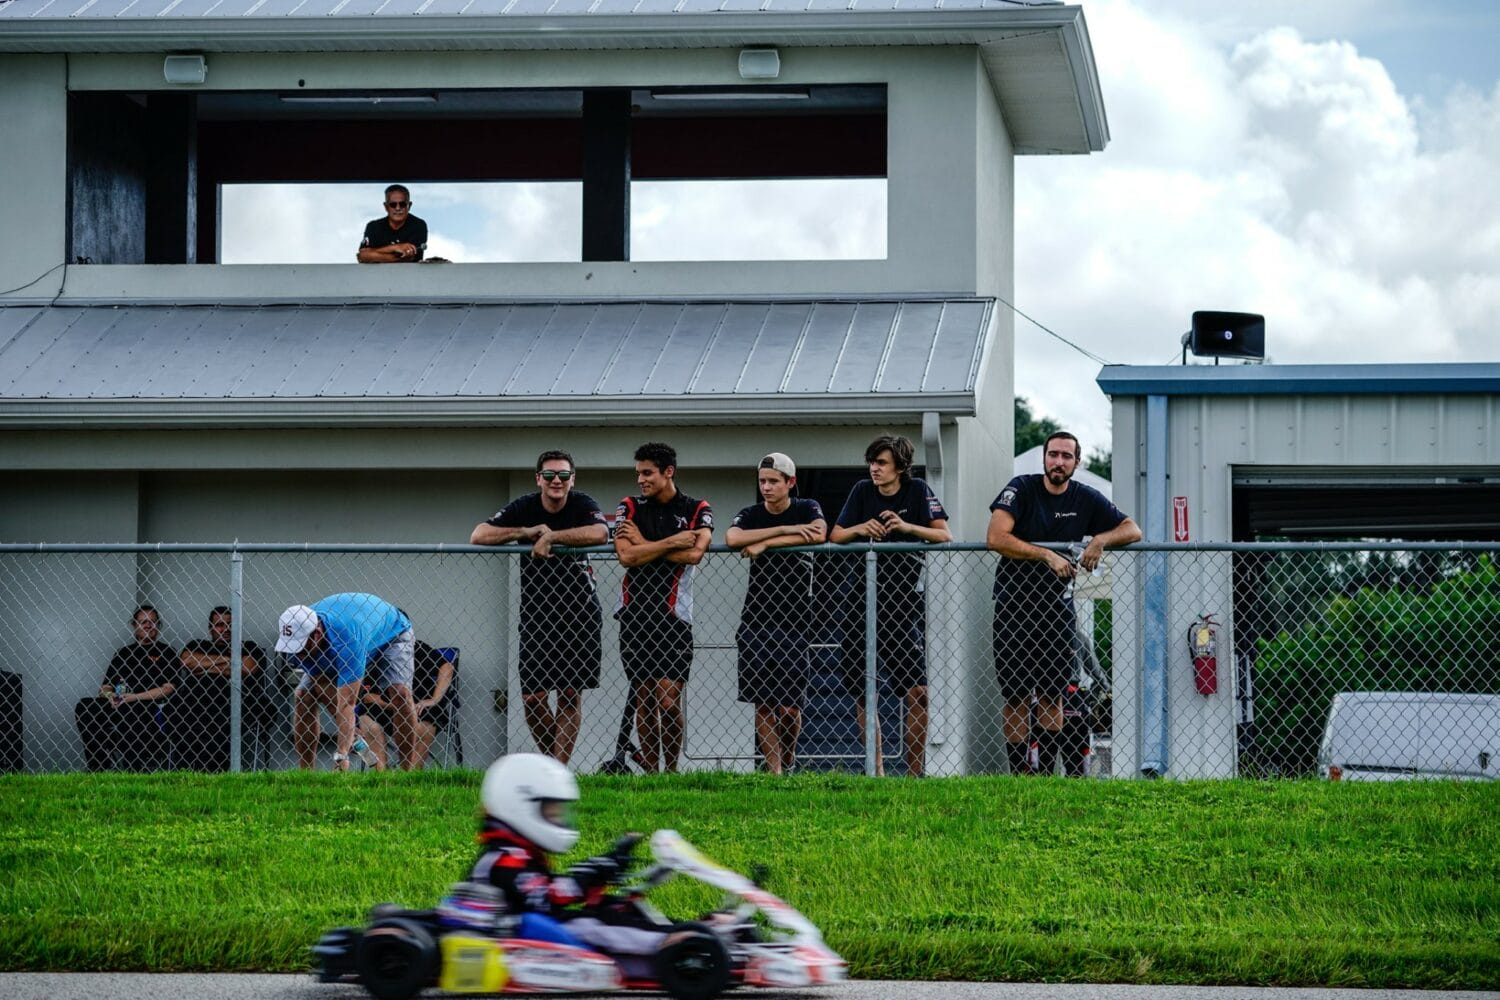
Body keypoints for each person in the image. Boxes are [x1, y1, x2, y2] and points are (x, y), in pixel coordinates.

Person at [986, 431, 1141, 776]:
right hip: (1013, 605)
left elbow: (1132, 530)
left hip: (1057, 608)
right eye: (1053, 455)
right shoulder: (1021, 488)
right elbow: (996, 537)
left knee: (1052, 695)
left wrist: (1100, 539)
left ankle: (1044, 778)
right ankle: (1020, 777)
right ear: (1044, 458)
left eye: (1066, 457)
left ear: (1077, 462)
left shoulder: (1085, 498)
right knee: (1015, 696)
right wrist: (1046, 555)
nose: (1058, 462)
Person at [471, 450, 609, 765]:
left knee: (570, 696)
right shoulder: (524, 507)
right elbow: (479, 534)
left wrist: (553, 538)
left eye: (563, 475)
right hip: (536, 616)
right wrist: (525, 532)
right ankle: (554, 767)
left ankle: (556, 775)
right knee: (532, 700)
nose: (556, 481)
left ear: (572, 479)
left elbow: (601, 532)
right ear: (539, 479)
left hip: (580, 614)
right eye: (549, 475)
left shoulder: (583, 504)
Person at [830, 434, 951, 777]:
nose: (875, 469)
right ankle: (877, 771)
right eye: (872, 462)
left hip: (902, 606)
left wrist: (906, 526)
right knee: (865, 693)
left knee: (918, 691)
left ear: (900, 466)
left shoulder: (918, 491)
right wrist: (859, 528)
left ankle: (915, 774)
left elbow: (945, 535)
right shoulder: (861, 491)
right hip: (859, 602)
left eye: (881, 463)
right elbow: (836, 535)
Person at [469, 753, 661, 955]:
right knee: (588, 925)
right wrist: (591, 872)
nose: (558, 820)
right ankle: (669, 944)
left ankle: (677, 932)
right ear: (520, 806)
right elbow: (547, 897)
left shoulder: (523, 855)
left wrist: (605, 868)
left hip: (535, 932)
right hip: (516, 939)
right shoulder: (503, 860)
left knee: (612, 907)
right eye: (552, 814)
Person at [613, 442, 713, 774]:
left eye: (647, 473)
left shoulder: (697, 508)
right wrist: (668, 542)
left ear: (668, 472)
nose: (640, 480)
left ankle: (671, 770)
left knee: (668, 702)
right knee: (645, 699)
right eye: (638, 473)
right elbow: (627, 556)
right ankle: (653, 774)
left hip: (674, 618)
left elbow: (695, 554)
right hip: (635, 617)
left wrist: (645, 546)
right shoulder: (629, 506)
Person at [725, 453, 827, 774]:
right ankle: (775, 771)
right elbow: (732, 537)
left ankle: (789, 757)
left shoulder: (807, 506)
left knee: (789, 708)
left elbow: (819, 531)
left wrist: (767, 544)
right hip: (756, 621)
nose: (766, 487)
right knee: (763, 701)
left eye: (773, 481)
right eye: (762, 481)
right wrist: (784, 532)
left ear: (790, 483)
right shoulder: (752, 513)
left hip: (796, 622)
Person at [276, 593, 422, 771]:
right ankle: (306, 774)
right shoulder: (295, 643)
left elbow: (347, 703)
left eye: (301, 646)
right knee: (303, 695)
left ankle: (408, 771)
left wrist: (342, 755)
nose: (297, 654)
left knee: (400, 694)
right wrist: (351, 732)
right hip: (353, 640)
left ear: (317, 633)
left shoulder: (347, 637)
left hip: (392, 633)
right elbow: (323, 686)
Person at [74, 605, 177, 772]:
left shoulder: (167, 652)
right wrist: (111, 696)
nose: (148, 625)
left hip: (148, 706)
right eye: (143, 622)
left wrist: (133, 697)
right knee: (85, 706)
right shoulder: (123, 653)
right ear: (135, 625)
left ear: (158, 625)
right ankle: (98, 766)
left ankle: (133, 770)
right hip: (119, 703)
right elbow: (105, 687)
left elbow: (167, 689)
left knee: (131, 711)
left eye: (152, 621)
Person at [169, 606, 269, 772]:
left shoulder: (250, 647)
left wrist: (205, 666)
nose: (226, 629)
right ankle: (190, 769)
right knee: (182, 710)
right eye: (220, 625)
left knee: (216, 705)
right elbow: (187, 662)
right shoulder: (197, 644)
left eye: (230, 624)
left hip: (234, 703)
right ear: (210, 628)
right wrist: (228, 661)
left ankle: (209, 770)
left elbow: (246, 668)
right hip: (196, 704)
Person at [358, 639, 456, 770]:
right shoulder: (372, 649)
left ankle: (410, 775)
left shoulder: (415, 647)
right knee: (366, 721)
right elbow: (368, 696)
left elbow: (447, 667)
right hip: (385, 707)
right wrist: (396, 707)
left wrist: (434, 699)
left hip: (419, 705)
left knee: (426, 722)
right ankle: (381, 776)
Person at [356, 184, 427, 263]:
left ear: (409, 205)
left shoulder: (418, 225)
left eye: (402, 204)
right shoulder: (373, 226)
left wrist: (373, 255)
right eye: (393, 205)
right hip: (378, 275)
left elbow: (406, 258)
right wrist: (395, 247)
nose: (398, 208)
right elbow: (362, 256)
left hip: (409, 274)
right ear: (386, 206)